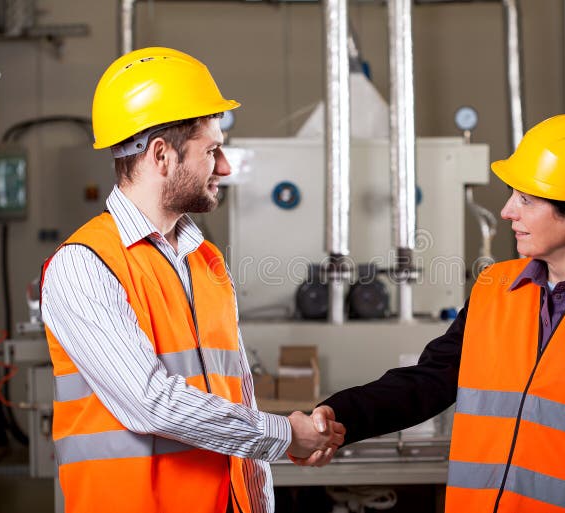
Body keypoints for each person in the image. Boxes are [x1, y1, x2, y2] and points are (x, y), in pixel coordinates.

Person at [304, 114, 565, 513]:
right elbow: (428, 382)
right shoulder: (495, 289)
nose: (507, 211)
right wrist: (340, 416)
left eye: (526, 199)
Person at [40, 47, 344, 513]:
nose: (223, 168)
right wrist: (285, 436)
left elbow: (237, 394)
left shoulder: (205, 260)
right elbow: (150, 403)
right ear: (161, 156)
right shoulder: (84, 265)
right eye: (212, 151)